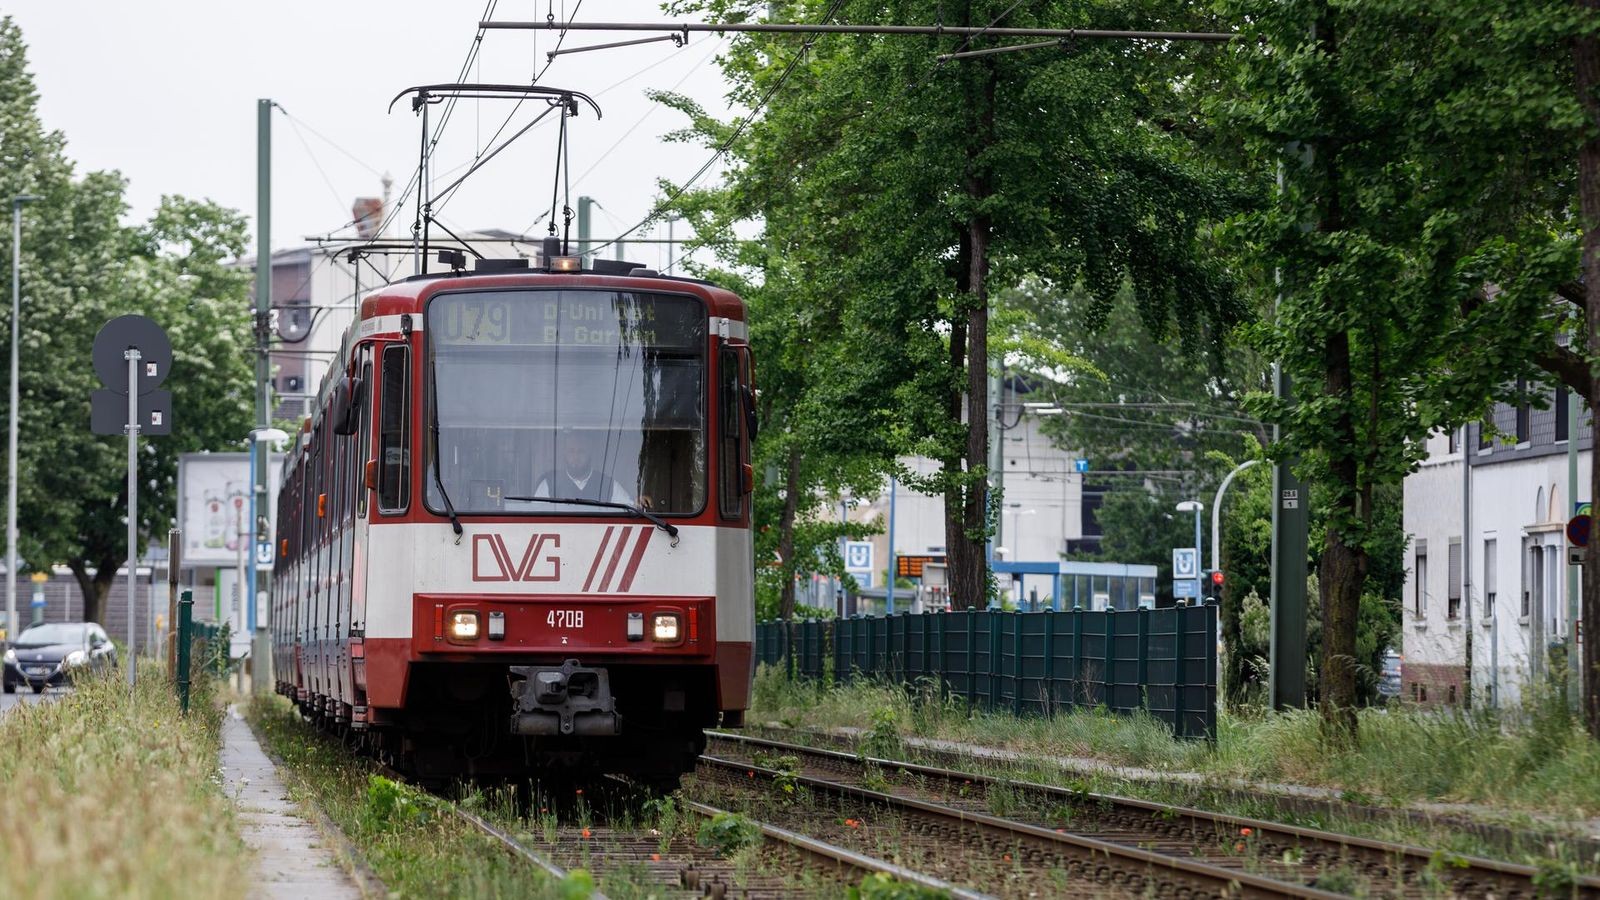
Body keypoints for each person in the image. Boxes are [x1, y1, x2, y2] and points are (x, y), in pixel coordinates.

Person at [533, 429, 635, 505]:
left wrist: (639, 503)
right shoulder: (549, 484)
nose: (576, 457)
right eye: (571, 451)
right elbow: (536, 514)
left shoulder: (608, 485)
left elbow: (630, 507)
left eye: (581, 451)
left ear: (590, 453)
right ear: (565, 453)